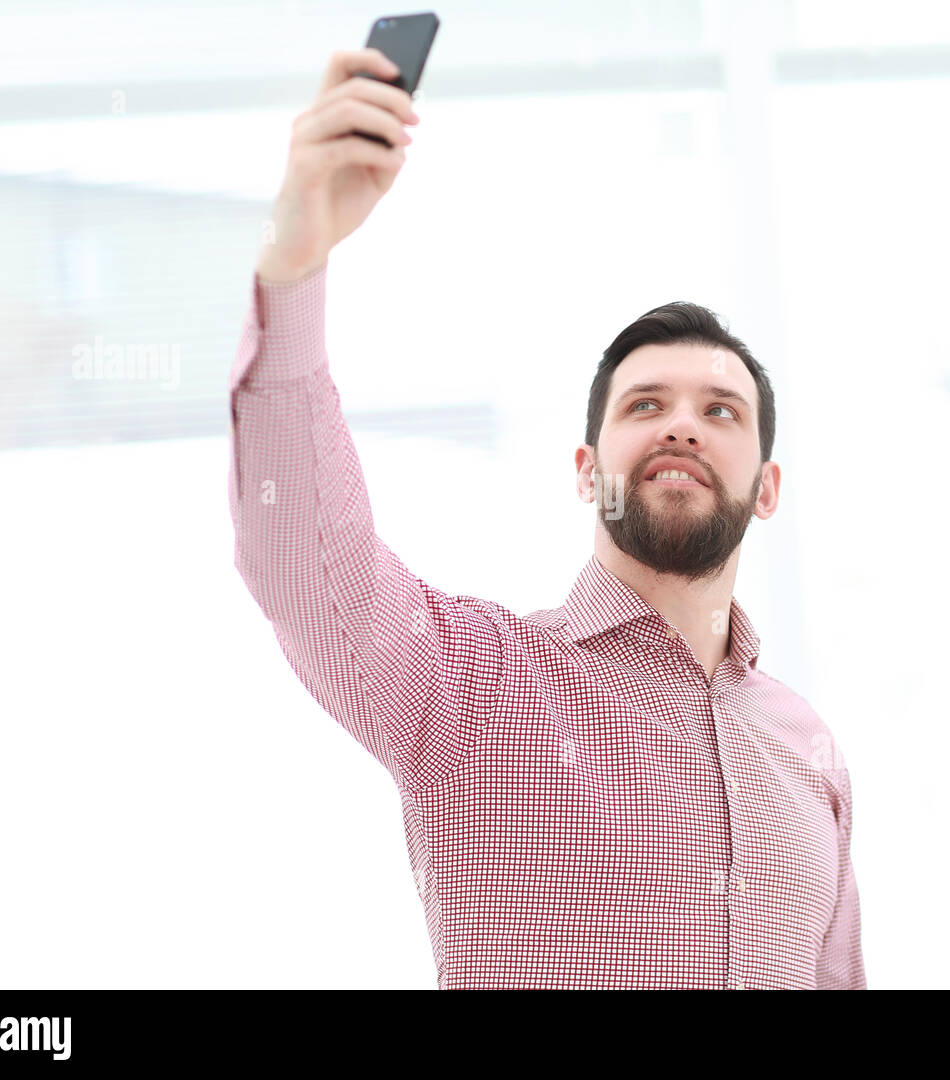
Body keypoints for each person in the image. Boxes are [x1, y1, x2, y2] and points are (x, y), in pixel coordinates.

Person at [230, 47, 866, 990]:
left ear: (766, 488)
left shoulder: (809, 751)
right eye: (644, 407)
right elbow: (302, 564)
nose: (683, 425)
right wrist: (294, 263)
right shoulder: (475, 686)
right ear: (588, 472)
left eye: (719, 412)